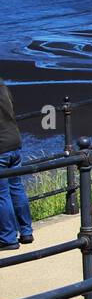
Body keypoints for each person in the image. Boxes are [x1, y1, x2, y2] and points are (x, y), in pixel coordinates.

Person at [0, 78, 35, 251]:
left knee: (1, 194)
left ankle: (8, 238)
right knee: (16, 187)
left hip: (0, 147)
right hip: (14, 141)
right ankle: (26, 231)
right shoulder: (2, 85)